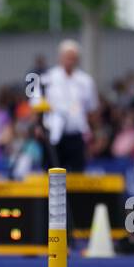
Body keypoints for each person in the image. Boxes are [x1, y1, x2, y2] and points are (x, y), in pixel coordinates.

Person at [41, 40, 100, 173]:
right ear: (60, 57)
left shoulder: (85, 81)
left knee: (77, 174)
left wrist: (93, 134)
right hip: (53, 134)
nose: (70, 61)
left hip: (76, 134)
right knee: (52, 174)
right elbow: (37, 106)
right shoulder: (48, 78)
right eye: (67, 58)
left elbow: (92, 109)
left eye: (73, 58)